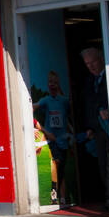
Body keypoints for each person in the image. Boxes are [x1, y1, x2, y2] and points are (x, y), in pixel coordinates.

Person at [79, 47, 109, 214]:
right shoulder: (89, 80)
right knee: (103, 165)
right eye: (87, 64)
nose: (91, 66)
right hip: (98, 130)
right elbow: (88, 106)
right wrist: (89, 127)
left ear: (101, 59)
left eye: (93, 62)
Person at [34, 71, 74, 207]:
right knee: (54, 169)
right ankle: (55, 197)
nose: (52, 85)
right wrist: (43, 129)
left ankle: (62, 198)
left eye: (55, 83)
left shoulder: (64, 101)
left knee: (61, 169)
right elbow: (31, 108)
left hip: (63, 140)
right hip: (52, 141)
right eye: (50, 83)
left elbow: (67, 117)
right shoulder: (45, 100)